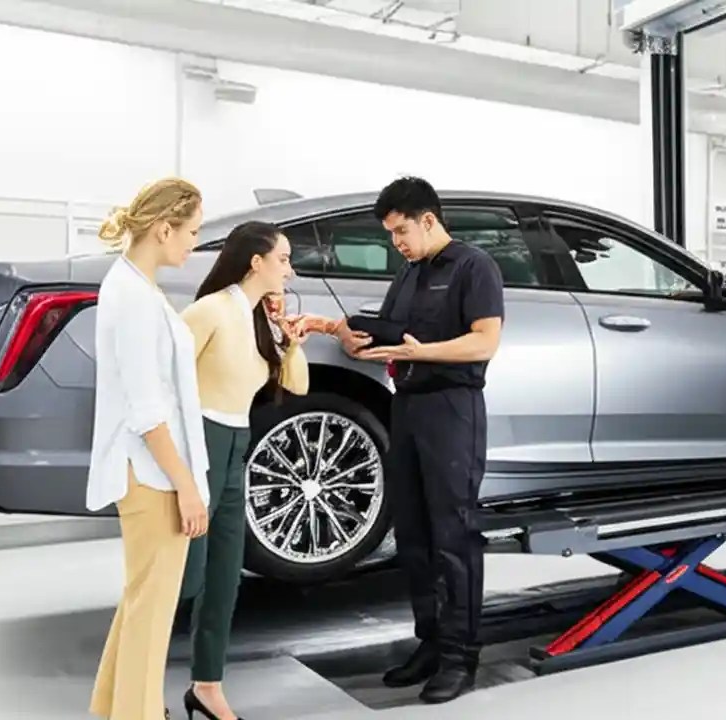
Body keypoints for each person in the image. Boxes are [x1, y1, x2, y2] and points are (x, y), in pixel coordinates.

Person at [335, 176, 505, 704]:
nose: (397, 243)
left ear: (428, 219)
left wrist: (419, 354)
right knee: (412, 535)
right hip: (406, 407)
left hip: (452, 409)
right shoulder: (409, 274)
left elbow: (485, 341)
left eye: (401, 231)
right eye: (390, 234)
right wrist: (336, 328)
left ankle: (461, 658)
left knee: (453, 536)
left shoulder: (474, 267)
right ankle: (430, 643)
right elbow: (392, 331)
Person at [178, 221, 338, 720]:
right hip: (196, 444)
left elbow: (298, 387)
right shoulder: (209, 310)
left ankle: (207, 687)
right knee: (182, 576)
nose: (289, 270)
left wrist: (290, 340)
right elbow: (162, 379)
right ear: (256, 262)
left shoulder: (256, 320)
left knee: (225, 576)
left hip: (236, 444)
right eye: (284, 259)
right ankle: (131, 690)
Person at [87, 177, 212, 720]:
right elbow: (147, 408)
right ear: (164, 229)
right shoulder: (133, 297)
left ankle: (111, 709)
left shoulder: (136, 286)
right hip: (152, 474)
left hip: (150, 470)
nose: (194, 243)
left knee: (141, 604)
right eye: (192, 232)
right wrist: (186, 485)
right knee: (152, 612)